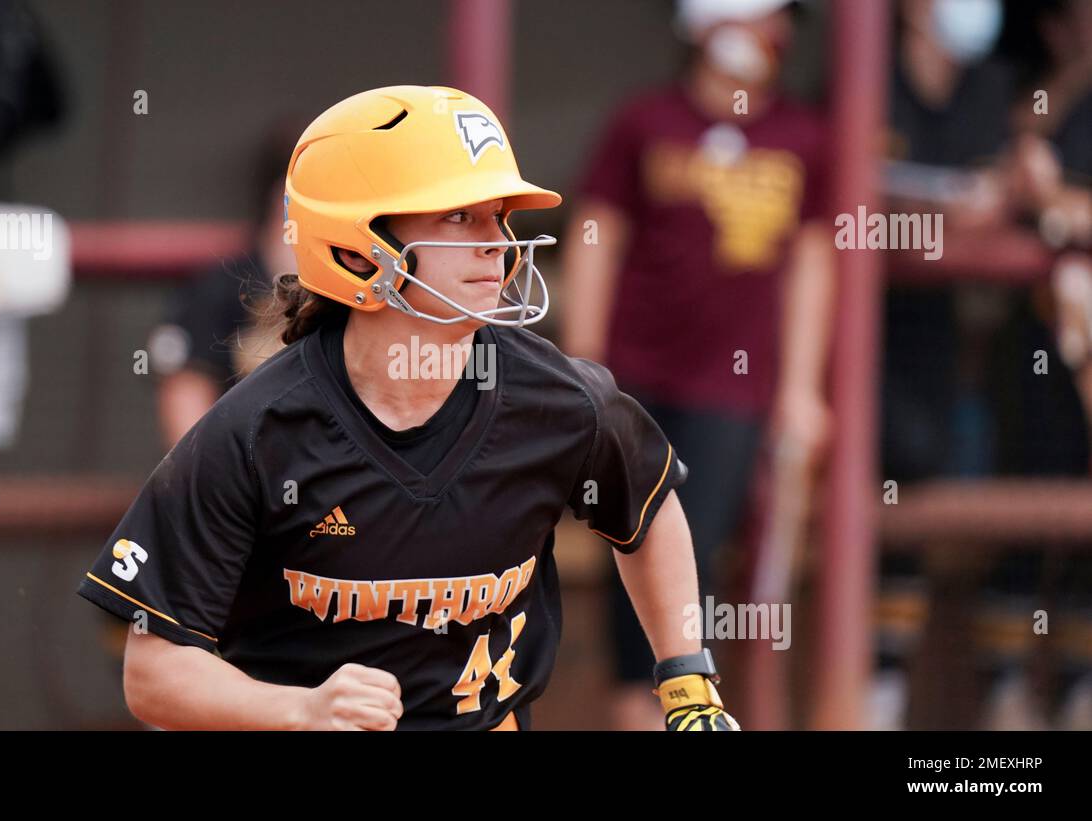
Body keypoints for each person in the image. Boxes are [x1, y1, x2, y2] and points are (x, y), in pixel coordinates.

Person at [76, 85, 739, 731]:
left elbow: (650, 508)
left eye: (499, 215)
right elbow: (153, 671)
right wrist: (301, 711)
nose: (498, 243)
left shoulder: (560, 399)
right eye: (459, 215)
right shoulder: (255, 431)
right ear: (357, 246)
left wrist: (686, 683)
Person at [562, 0, 834, 729]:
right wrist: (585, 364)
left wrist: (804, 387)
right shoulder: (644, 121)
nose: (775, 34)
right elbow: (598, 234)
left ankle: (688, 704)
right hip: (636, 375)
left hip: (734, 387)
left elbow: (813, 264)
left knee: (698, 543)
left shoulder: (803, 134)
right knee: (630, 532)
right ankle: (636, 705)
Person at [148, 121, 301, 449]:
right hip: (244, 478)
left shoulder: (368, 289)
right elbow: (185, 394)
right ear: (279, 197)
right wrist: (212, 486)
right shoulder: (220, 288)